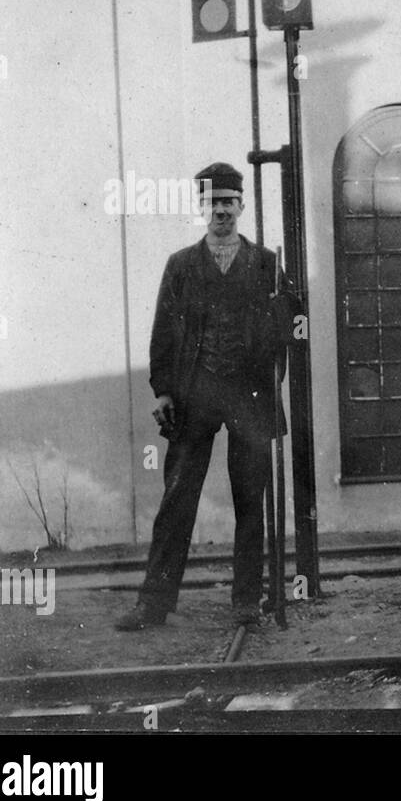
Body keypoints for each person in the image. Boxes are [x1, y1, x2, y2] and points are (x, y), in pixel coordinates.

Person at [116, 162, 298, 630]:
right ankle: (153, 603)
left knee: (249, 500)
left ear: (242, 205)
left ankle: (245, 602)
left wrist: (280, 320)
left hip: (248, 394)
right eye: (213, 202)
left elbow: (288, 331)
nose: (221, 211)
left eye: (229, 202)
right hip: (194, 395)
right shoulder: (180, 265)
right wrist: (162, 391)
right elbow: (162, 333)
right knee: (177, 499)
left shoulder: (265, 265)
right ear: (203, 207)